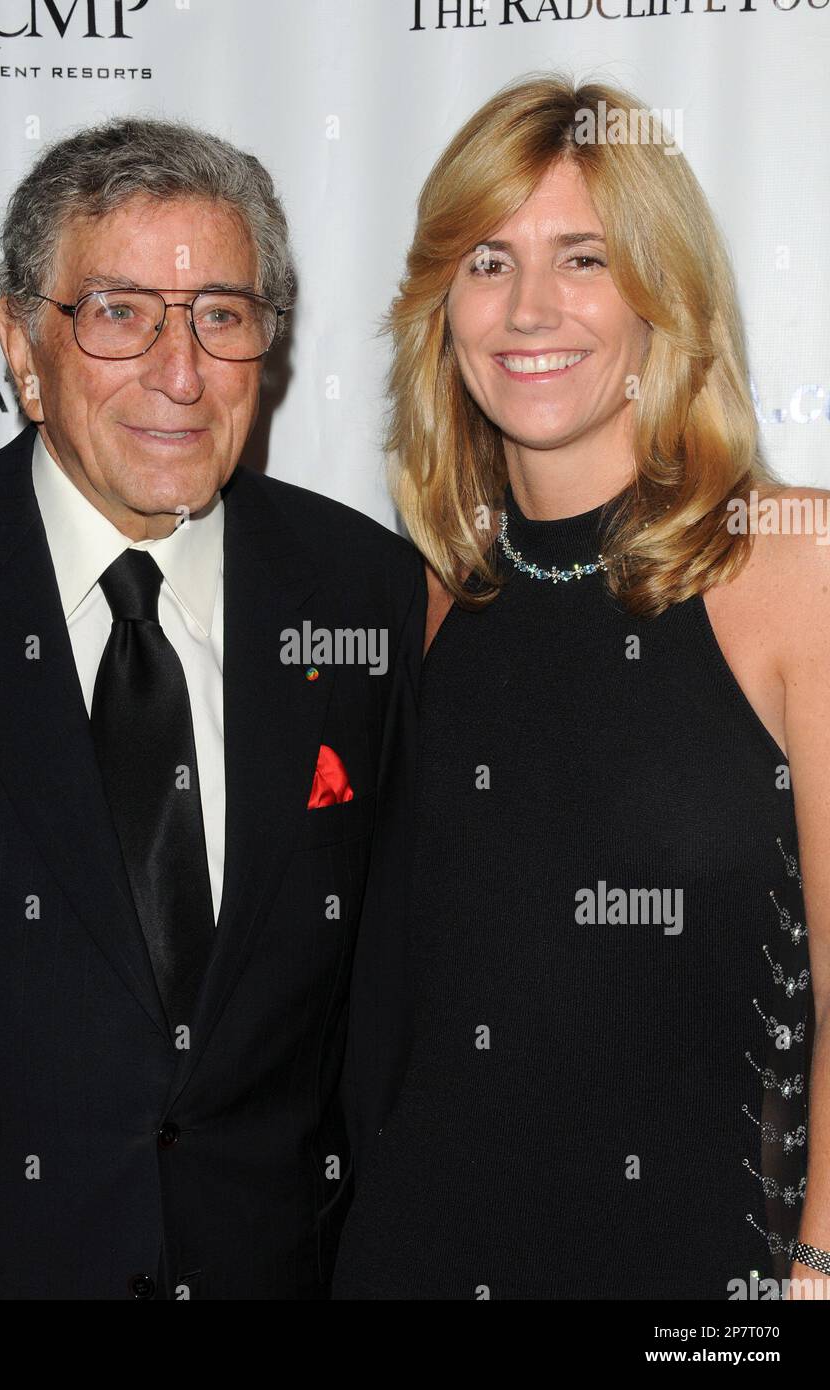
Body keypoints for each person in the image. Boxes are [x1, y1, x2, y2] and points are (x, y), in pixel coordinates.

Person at [0, 117, 424, 1299]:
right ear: (20, 341)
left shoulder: (364, 588)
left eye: (220, 313)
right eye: (118, 312)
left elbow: (389, 1003)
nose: (180, 371)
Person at [333, 74, 829, 1300]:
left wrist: (816, 1269)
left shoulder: (790, 566)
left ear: (662, 295)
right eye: (487, 262)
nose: (528, 309)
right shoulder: (422, 604)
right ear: (439, 307)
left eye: (583, 259)